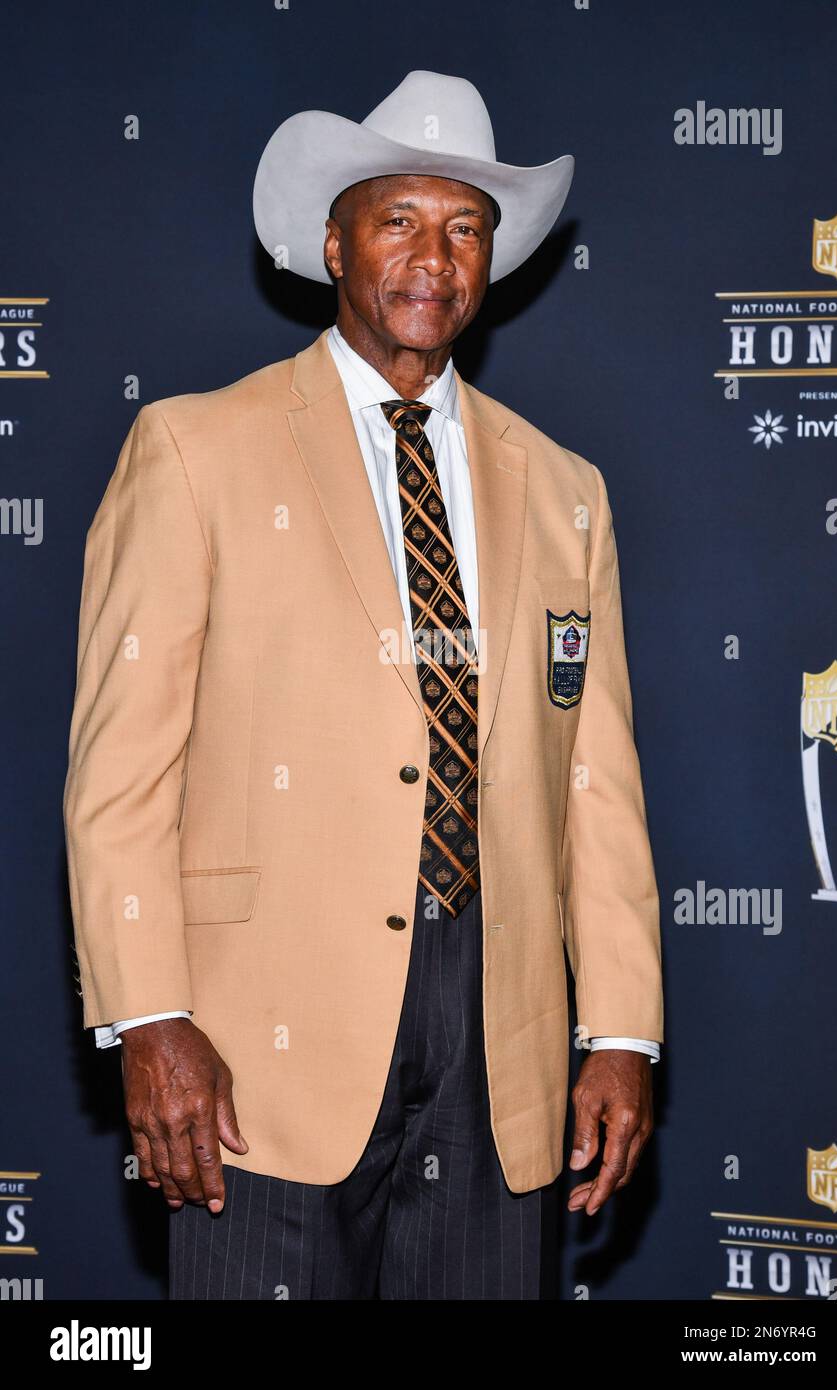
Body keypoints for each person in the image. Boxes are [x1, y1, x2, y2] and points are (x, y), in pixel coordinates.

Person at [63, 69, 663, 1301]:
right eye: (398, 220)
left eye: (464, 228)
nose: (431, 259)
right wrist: (148, 1018)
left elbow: (594, 782)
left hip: (500, 1047)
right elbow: (119, 774)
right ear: (334, 240)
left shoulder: (565, 491)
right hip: (254, 1054)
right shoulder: (196, 449)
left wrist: (619, 1029)